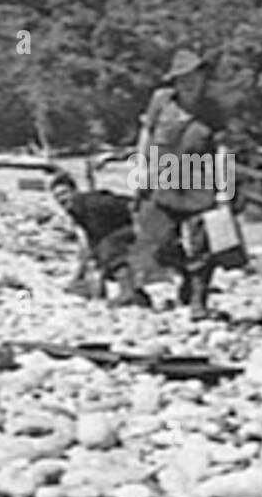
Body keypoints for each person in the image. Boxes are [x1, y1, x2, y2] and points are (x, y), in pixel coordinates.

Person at [124, 49, 229, 319]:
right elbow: (146, 133)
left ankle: (198, 299)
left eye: (193, 76)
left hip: (199, 177)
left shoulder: (213, 109)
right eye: (182, 78)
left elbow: (222, 149)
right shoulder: (161, 101)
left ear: (203, 77)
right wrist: (139, 171)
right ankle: (182, 272)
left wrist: (224, 188)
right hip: (163, 175)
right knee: (159, 240)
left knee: (202, 244)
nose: (188, 82)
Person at [49, 172, 143, 303]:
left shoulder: (93, 202)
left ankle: (129, 292)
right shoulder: (77, 212)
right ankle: (138, 295)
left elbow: (132, 206)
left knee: (109, 248)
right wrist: (78, 277)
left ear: (75, 191)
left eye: (64, 193)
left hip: (141, 224)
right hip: (125, 231)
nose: (61, 199)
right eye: (57, 197)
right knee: (101, 253)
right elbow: (89, 247)